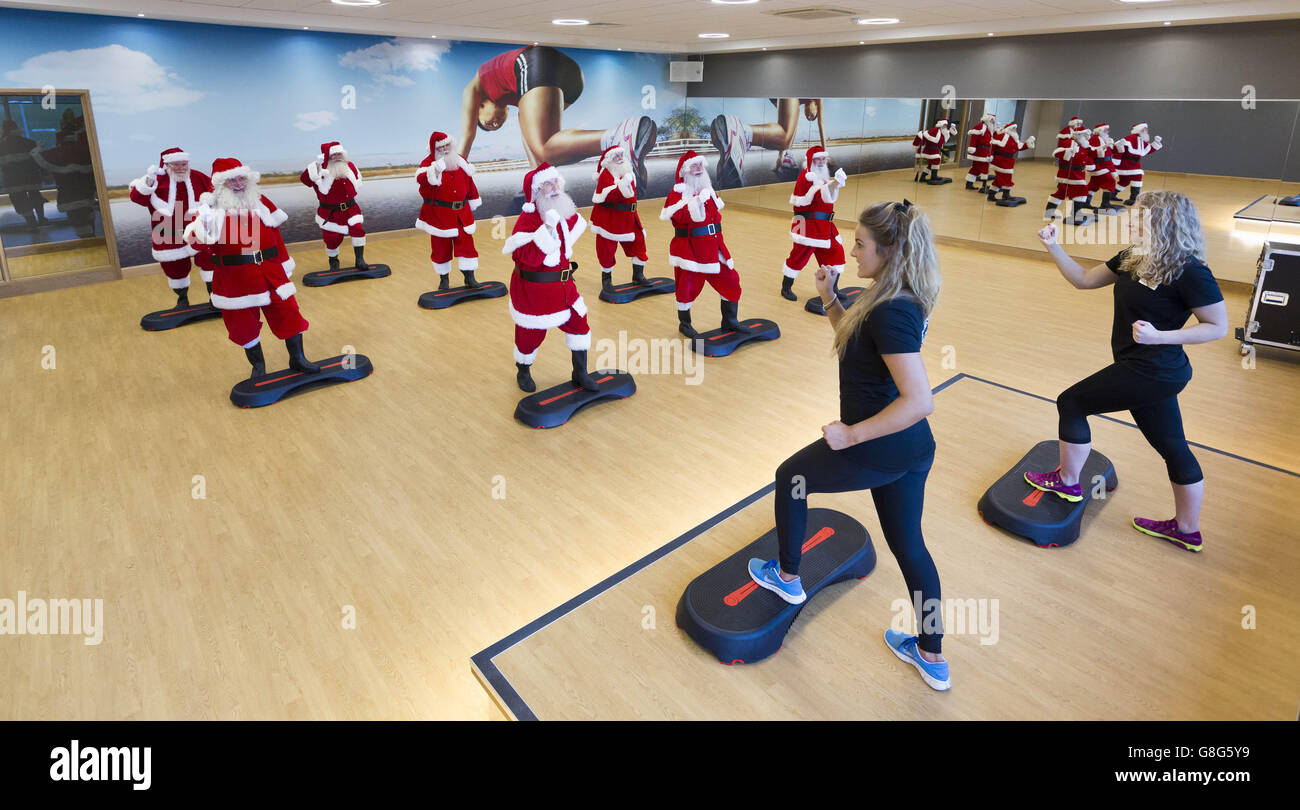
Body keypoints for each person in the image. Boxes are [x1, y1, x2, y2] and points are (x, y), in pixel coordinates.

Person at [747, 199, 948, 691]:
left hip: (881, 443)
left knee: (790, 478)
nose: (849, 250)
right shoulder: (893, 294)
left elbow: (920, 400)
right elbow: (861, 343)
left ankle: (788, 577)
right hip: (910, 449)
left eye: (859, 244)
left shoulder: (892, 312)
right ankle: (932, 655)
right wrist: (832, 298)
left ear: (890, 249)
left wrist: (851, 434)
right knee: (910, 547)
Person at [1027, 191, 1228, 552]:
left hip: (1152, 369)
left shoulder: (1190, 271)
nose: (1131, 223)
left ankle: (1068, 481)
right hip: (1148, 370)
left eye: (1140, 219)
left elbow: (1216, 326)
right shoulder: (1133, 257)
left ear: (1165, 224)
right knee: (1172, 446)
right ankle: (1187, 530)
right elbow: (1084, 280)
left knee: (1071, 402)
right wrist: (1053, 246)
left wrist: (1160, 337)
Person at [185, 157, 317, 379]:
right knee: (243, 325)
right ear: (220, 185)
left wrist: (285, 265)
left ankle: (298, 359)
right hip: (234, 279)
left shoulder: (260, 203)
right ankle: (258, 367)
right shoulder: (210, 210)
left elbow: (276, 238)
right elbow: (196, 242)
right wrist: (202, 226)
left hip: (271, 272)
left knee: (289, 314)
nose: (238, 184)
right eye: (232, 180)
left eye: (241, 179)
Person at [458, 44, 657, 189]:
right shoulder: (519, 100)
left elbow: (468, 135)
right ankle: (616, 155)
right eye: (495, 127)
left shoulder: (474, 88)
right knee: (545, 152)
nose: (495, 123)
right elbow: (532, 148)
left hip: (534, 62)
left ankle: (617, 137)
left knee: (544, 147)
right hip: (570, 77)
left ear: (480, 106)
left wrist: (454, 179)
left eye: (488, 122)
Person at [503, 162, 595, 394]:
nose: (554, 187)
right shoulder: (527, 221)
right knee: (530, 335)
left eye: (556, 181)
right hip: (535, 292)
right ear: (536, 191)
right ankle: (523, 370)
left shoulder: (560, 210)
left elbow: (575, 222)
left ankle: (580, 373)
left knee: (580, 325)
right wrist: (547, 229)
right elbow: (525, 257)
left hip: (564, 287)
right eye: (547, 184)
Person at [661, 150, 748, 338]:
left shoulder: (709, 190)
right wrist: (696, 201)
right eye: (694, 165)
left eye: (701, 165)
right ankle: (685, 324)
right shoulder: (678, 193)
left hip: (714, 246)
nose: (699, 169)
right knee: (687, 287)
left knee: (731, 280)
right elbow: (678, 217)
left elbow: (716, 217)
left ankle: (730, 321)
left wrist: (705, 198)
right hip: (690, 249)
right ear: (684, 171)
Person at [128, 147, 215, 309]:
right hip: (168, 231)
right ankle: (182, 300)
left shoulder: (198, 177)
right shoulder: (156, 180)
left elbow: (216, 193)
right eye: (176, 165)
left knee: (210, 261)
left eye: (184, 164)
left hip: (198, 229)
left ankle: (214, 297)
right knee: (175, 267)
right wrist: (148, 183)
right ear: (167, 165)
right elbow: (137, 198)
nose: (181, 168)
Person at [780, 145, 848, 304]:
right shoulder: (806, 177)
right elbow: (819, 194)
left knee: (835, 253)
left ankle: (833, 288)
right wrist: (835, 184)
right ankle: (786, 287)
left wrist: (834, 184)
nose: (822, 162)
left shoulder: (822, 176)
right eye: (818, 158)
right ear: (811, 160)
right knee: (799, 256)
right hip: (805, 223)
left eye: (824, 158)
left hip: (824, 225)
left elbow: (826, 192)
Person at [415, 131, 482, 289]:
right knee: (440, 247)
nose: (445, 149)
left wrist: (473, 199)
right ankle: (444, 280)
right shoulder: (428, 163)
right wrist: (435, 170)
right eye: (441, 147)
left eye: (447, 145)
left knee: (467, 246)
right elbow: (421, 179)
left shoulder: (460, 161)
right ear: (434, 148)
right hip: (440, 215)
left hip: (462, 213)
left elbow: (470, 183)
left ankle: (469, 277)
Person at [710, 98, 823, 187]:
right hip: (790, 85)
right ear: (817, 108)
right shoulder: (817, 97)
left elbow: (789, 134)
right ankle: (743, 133)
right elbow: (821, 125)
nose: (808, 115)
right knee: (785, 135)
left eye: (809, 117)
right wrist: (824, 153)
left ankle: (730, 138)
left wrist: (782, 155)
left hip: (783, 91)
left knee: (785, 137)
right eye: (811, 115)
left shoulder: (798, 104)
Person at [299, 141, 369, 272]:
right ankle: (334, 261)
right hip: (330, 212)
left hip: (351, 209)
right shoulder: (319, 170)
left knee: (358, 230)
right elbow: (305, 180)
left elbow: (357, 182)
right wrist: (315, 166)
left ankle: (360, 259)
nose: (337, 157)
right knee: (332, 239)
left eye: (339, 154)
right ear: (327, 156)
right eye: (333, 155)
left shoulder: (349, 166)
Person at [590, 144, 649, 291]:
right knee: (607, 249)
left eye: (621, 155)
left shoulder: (627, 171)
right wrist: (622, 186)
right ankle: (606, 279)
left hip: (630, 216)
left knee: (639, 242)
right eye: (615, 156)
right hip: (611, 218)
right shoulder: (606, 175)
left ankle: (638, 276)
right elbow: (608, 195)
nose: (620, 159)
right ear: (608, 160)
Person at [0, 119, 49, 228]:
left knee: (19, 199)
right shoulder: (29, 142)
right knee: (35, 194)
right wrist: (44, 174)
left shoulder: (1, 145)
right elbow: (38, 160)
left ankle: (31, 222)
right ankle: (41, 218)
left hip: (13, 179)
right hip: (31, 176)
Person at [1045, 126, 1094, 225]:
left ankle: (1049, 212)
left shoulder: (1083, 146)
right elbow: (1056, 153)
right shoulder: (1069, 143)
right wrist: (1069, 151)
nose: (1086, 137)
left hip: (1078, 174)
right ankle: (1076, 215)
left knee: (1061, 193)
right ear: (1078, 135)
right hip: (1070, 175)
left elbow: (1086, 157)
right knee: (1082, 192)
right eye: (1084, 135)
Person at [1114, 122, 1164, 206]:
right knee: (1136, 178)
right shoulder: (1129, 138)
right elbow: (1118, 148)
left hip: (1134, 165)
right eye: (1145, 129)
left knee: (1124, 181)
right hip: (1127, 165)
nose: (1147, 131)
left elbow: (1148, 149)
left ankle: (1111, 194)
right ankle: (1133, 199)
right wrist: (1116, 161)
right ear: (1140, 130)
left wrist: (1156, 142)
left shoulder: (1141, 140)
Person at [985, 123, 1035, 205]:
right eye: (1013, 128)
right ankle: (1006, 194)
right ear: (1008, 129)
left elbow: (1020, 147)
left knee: (999, 179)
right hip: (1000, 160)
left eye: (1015, 128)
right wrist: (990, 156)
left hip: (1008, 161)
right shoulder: (1002, 136)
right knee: (1006, 178)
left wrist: (1028, 143)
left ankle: (991, 195)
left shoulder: (1014, 139)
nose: (1015, 130)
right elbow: (993, 146)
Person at [965, 111, 997, 191]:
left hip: (985, 150)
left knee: (976, 168)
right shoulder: (980, 126)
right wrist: (972, 147)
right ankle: (984, 185)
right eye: (992, 120)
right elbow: (974, 137)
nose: (993, 122)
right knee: (984, 167)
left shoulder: (989, 128)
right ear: (988, 119)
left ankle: (969, 184)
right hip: (980, 151)